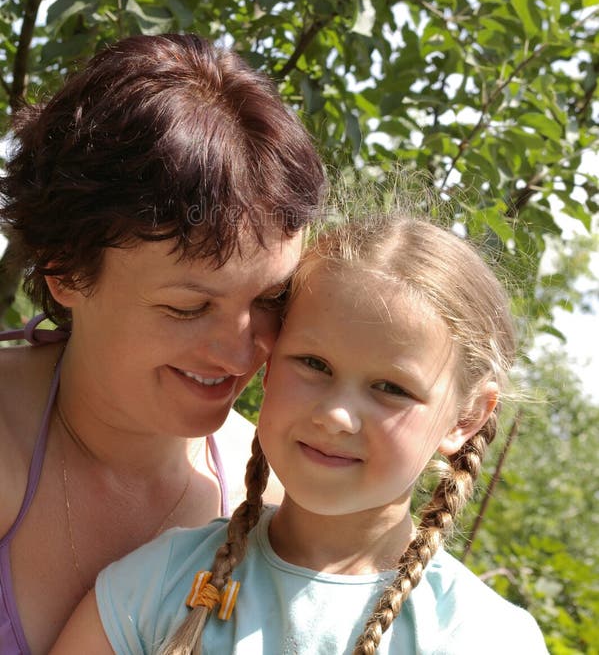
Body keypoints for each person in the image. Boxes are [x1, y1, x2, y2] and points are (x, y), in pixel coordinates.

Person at [50, 213, 548, 655]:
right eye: (314, 364)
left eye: (390, 388)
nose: (336, 415)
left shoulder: (485, 637)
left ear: (467, 419)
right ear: (267, 365)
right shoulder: (154, 585)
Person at [0, 32, 326, 655]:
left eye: (270, 301)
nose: (240, 355)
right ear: (66, 271)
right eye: (187, 307)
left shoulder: (279, 496)